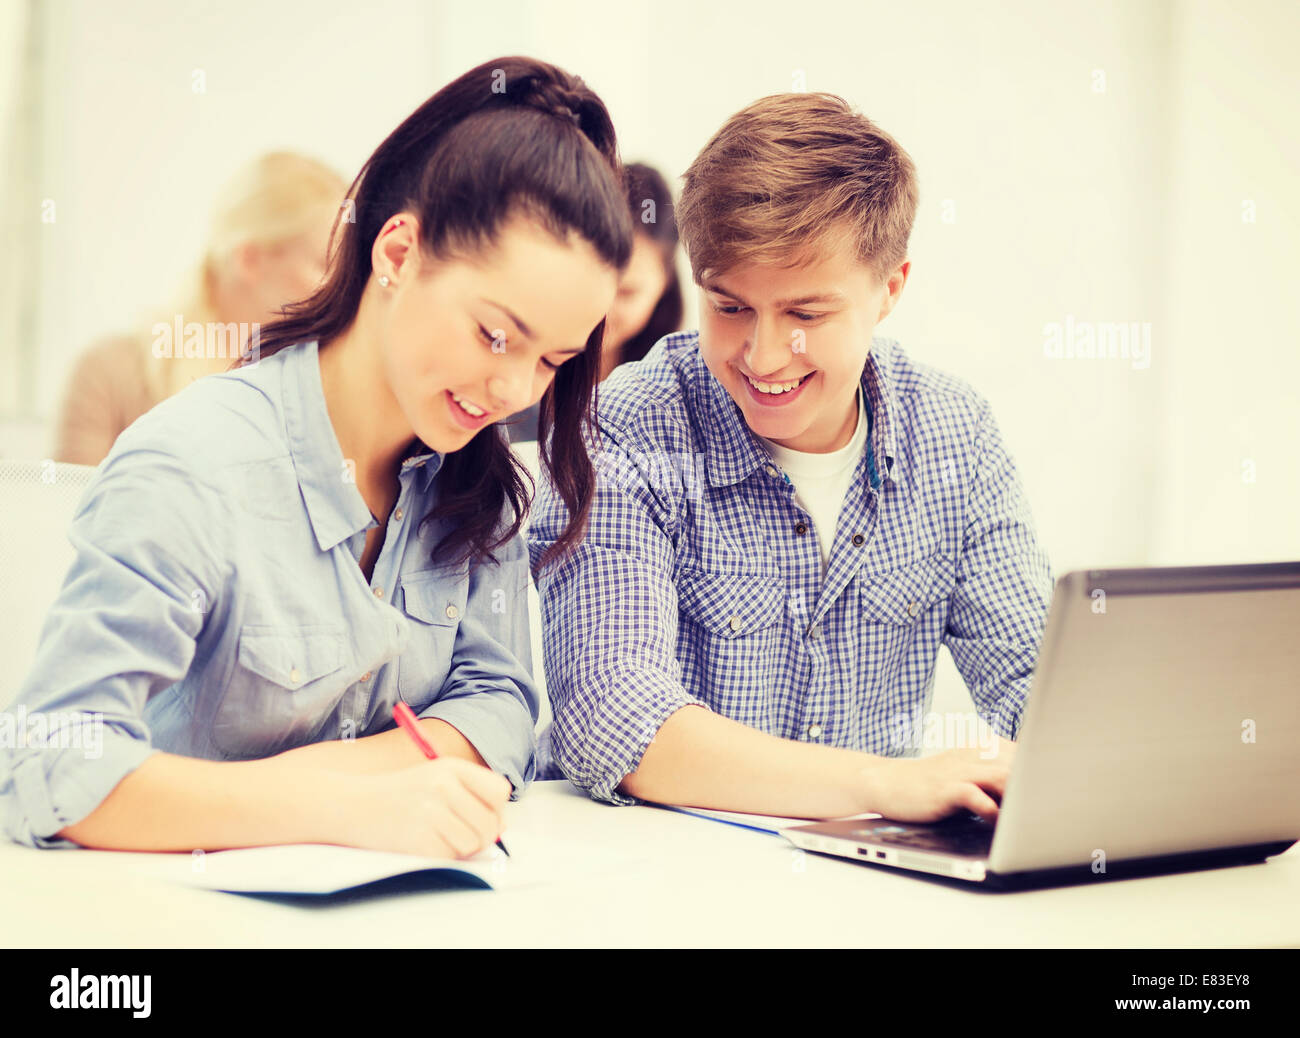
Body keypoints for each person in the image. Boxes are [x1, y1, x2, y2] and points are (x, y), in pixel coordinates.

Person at [0, 55, 633, 857]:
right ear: (397, 256)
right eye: (495, 334)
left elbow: (501, 701)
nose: (513, 388)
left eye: (550, 361)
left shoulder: (480, 485)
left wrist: (375, 789)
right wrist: (334, 804)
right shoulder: (192, 464)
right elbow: (49, 762)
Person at [529, 92, 1054, 822]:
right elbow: (613, 722)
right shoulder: (624, 428)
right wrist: (884, 786)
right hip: (652, 879)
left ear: (890, 289)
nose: (763, 354)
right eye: (730, 306)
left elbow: (1037, 682)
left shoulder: (953, 432)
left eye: (806, 314)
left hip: (864, 886)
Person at [52, 151, 346, 465]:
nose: (341, 288)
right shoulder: (110, 374)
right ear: (248, 259)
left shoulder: (323, 390)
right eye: (325, 264)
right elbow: (67, 510)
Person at [505, 162, 682, 442]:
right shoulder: (505, 370)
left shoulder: (676, 393)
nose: (602, 311)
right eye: (588, 282)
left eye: (627, 293)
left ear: (665, 283)